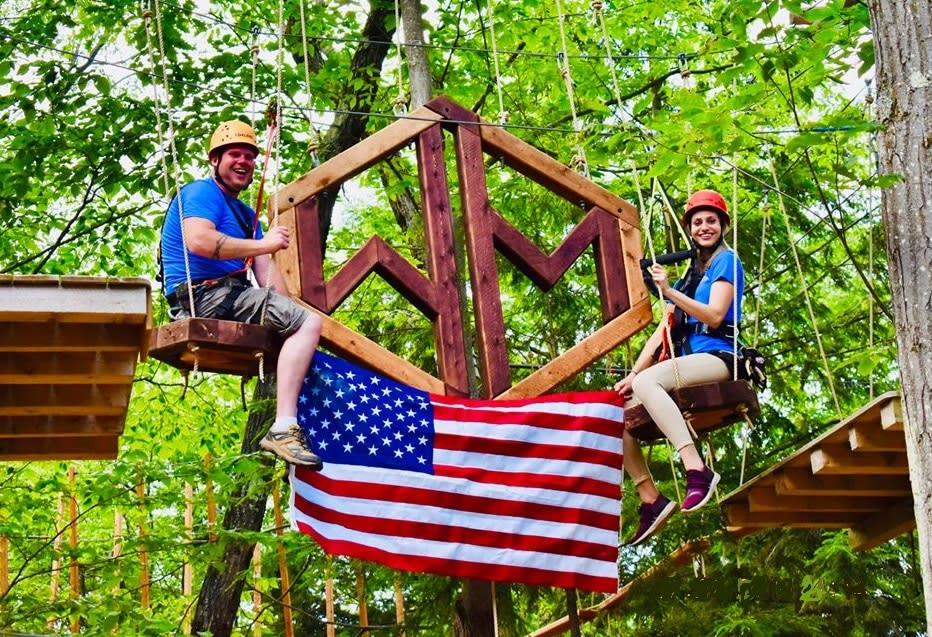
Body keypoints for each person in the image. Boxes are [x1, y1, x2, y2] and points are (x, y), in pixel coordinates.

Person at [160, 119, 324, 469]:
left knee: (303, 326)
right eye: (234, 154)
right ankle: (284, 427)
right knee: (306, 324)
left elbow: (268, 280)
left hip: (228, 295)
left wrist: (295, 320)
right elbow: (199, 241)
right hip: (200, 295)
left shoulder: (247, 216)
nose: (243, 162)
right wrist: (263, 244)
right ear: (215, 161)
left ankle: (290, 417)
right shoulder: (201, 193)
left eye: (250, 156)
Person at [615, 189, 744, 546]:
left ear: (722, 226)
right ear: (690, 229)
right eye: (698, 222)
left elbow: (715, 316)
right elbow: (664, 330)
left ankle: (697, 469)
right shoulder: (691, 275)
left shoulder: (726, 261)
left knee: (649, 384)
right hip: (686, 362)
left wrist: (669, 291)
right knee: (617, 415)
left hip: (720, 358)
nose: (705, 227)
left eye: (711, 221)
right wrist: (634, 373)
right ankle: (650, 499)